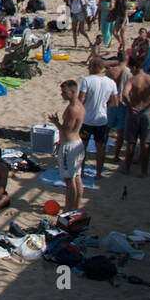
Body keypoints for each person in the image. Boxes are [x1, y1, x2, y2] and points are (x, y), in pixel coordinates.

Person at [78, 55, 118, 177]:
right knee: (100, 147)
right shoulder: (111, 83)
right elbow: (115, 103)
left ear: (94, 67)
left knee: (82, 146)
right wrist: (104, 104)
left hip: (87, 119)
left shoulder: (87, 80)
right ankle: (99, 173)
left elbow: (81, 99)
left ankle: (82, 172)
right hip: (101, 119)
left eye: (89, 66)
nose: (88, 68)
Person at [50, 79, 85, 211]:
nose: (62, 94)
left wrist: (55, 122)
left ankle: (69, 209)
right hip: (77, 143)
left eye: (64, 92)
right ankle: (75, 206)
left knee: (70, 181)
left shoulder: (72, 109)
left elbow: (66, 130)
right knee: (77, 177)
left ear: (71, 92)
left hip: (69, 146)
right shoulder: (80, 105)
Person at [122, 61, 150, 177]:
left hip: (135, 111)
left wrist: (129, 106)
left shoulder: (133, 80)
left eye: (131, 69)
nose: (130, 71)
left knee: (131, 143)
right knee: (145, 143)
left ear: (135, 67)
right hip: (148, 111)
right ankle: (144, 171)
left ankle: (127, 169)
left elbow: (125, 94)